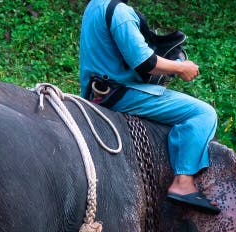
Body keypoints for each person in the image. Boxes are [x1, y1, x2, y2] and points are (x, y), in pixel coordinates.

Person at [79, 0, 220, 214]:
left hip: (97, 91)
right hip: (120, 93)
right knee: (203, 113)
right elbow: (146, 63)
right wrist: (181, 68)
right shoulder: (120, 13)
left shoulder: (94, 6)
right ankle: (183, 182)